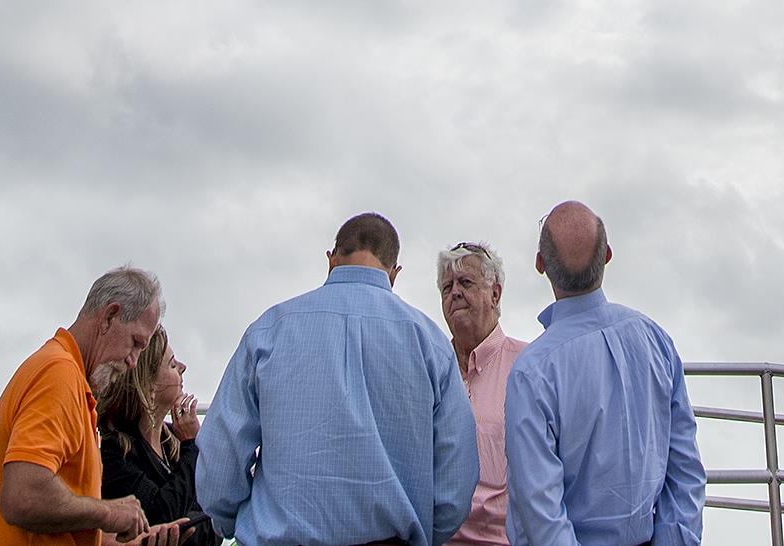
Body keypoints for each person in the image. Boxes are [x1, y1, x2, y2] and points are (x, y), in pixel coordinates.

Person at [197, 211, 478, 546]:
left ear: (331, 260)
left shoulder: (268, 331)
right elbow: (456, 482)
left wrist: (229, 521)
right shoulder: (431, 344)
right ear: (394, 273)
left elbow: (220, 461)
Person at [502, 203, 703, 546]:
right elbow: (685, 472)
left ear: (540, 265)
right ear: (607, 255)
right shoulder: (655, 340)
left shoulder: (532, 373)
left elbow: (542, 515)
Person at [0, 266, 168, 546]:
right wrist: (109, 513)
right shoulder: (59, 374)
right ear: (109, 316)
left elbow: (56, 524)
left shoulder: (70, 379)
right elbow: (22, 496)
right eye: (135, 343)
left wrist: (135, 542)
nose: (133, 361)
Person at [439, 242, 528, 546]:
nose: (454, 293)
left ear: (495, 294)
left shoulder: (529, 367)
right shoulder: (429, 368)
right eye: (447, 287)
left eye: (465, 282)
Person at [102, 327, 216, 546]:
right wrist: (193, 447)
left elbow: (214, 518)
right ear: (150, 387)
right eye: (172, 365)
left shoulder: (173, 442)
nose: (183, 367)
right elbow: (160, 516)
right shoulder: (115, 451)